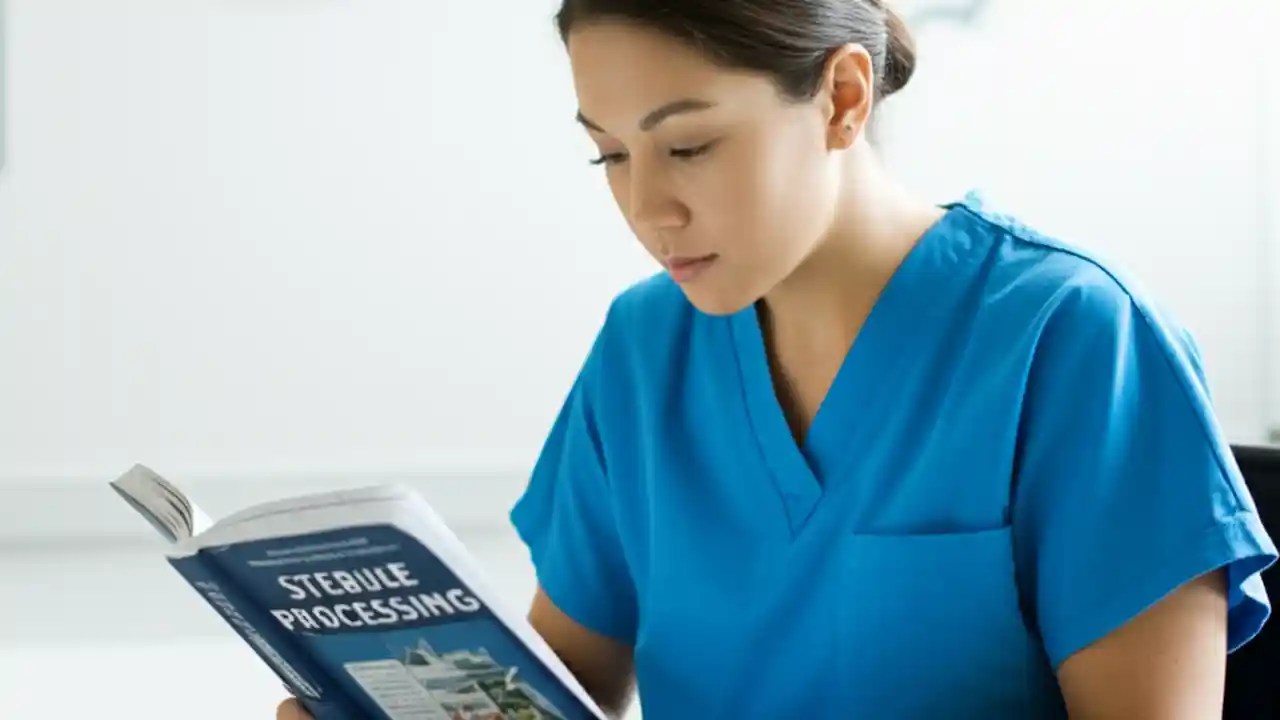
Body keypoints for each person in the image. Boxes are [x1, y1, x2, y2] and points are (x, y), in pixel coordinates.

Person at [279, 0, 1278, 717]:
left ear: (841, 97)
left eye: (689, 146)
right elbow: (567, 681)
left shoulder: (1069, 337)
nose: (644, 209)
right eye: (609, 154)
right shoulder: (644, 348)